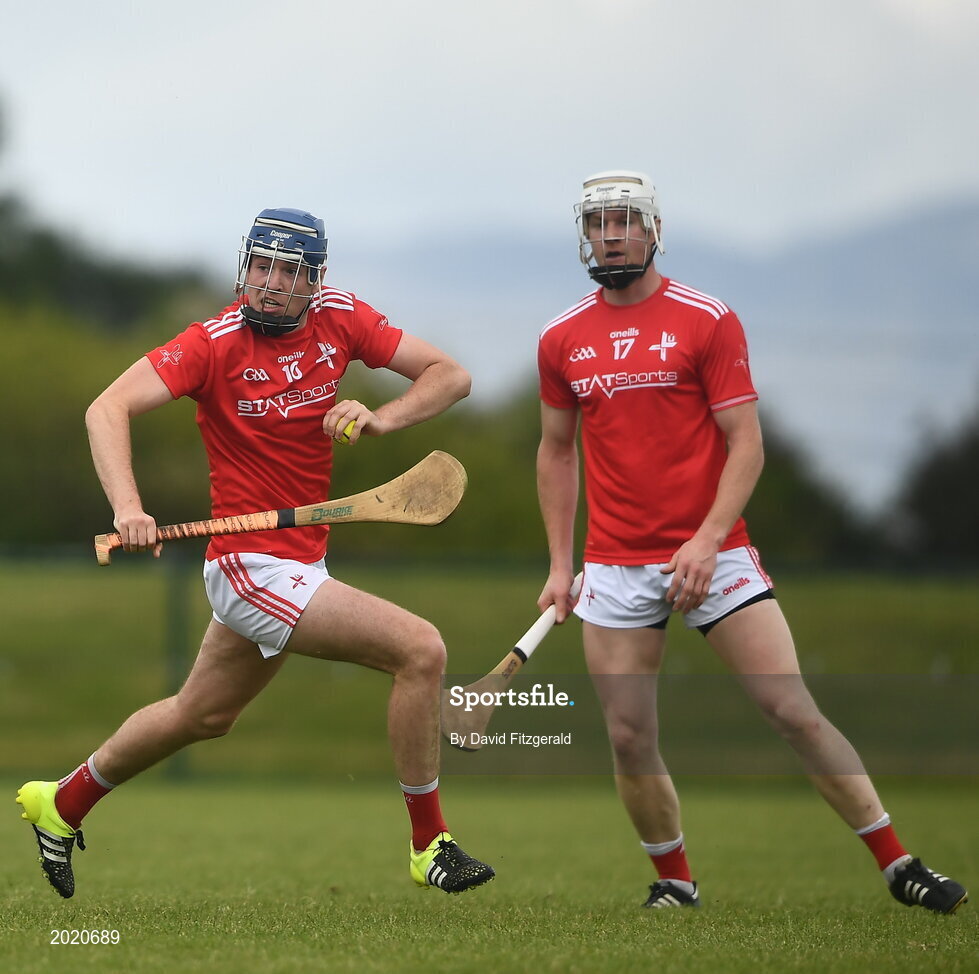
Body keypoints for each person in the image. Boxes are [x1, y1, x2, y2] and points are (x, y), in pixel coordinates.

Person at [17, 206, 494, 899]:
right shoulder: (212, 343)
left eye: (287, 271)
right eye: (260, 266)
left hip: (303, 561)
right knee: (420, 650)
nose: (269, 284)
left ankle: (59, 804)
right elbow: (105, 408)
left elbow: (451, 376)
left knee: (202, 715)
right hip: (249, 566)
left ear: (314, 279)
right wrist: (128, 507)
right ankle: (430, 844)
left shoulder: (342, 317)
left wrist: (380, 416)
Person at [535, 171, 967, 914]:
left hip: (716, 555)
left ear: (653, 229)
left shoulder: (706, 319)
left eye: (624, 220)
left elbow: (746, 444)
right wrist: (558, 564)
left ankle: (899, 865)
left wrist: (705, 541)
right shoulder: (560, 336)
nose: (610, 234)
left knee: (791, 712)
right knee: (629, 737)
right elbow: (555, 452)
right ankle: (674, 882)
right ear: (584, 234)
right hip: (613, 566)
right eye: (598, 222)